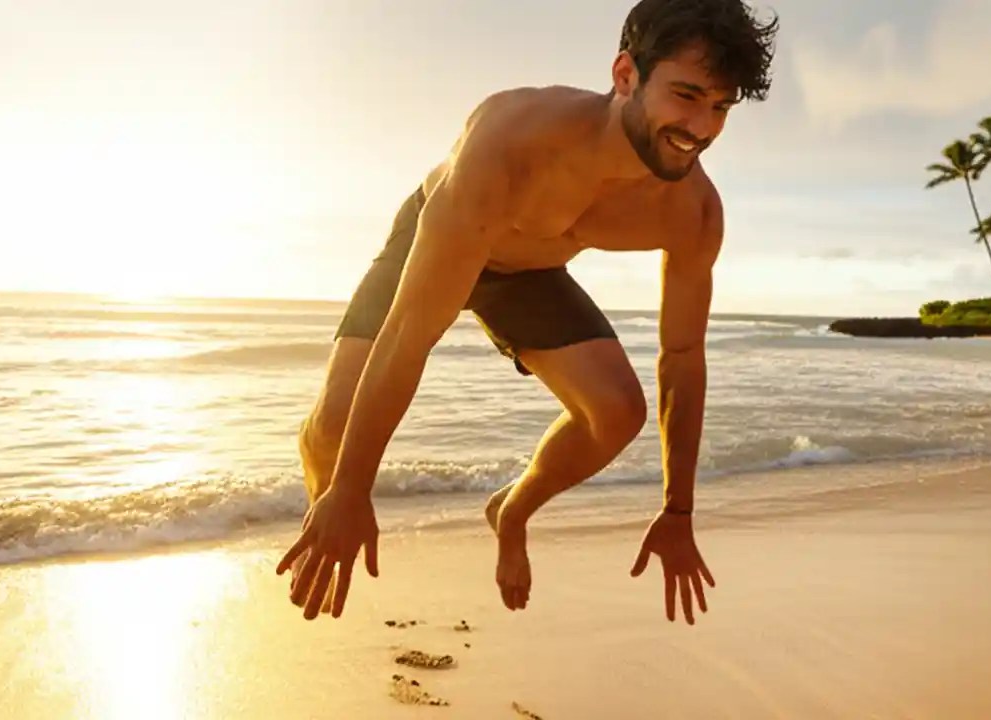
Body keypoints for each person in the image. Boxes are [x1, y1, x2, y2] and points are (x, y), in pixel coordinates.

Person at [276, 0, 777, 625]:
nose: (700, 127)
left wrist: (679, 512)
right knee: (333, 432)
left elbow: (681, 356)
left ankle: (510, 512)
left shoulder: (691, 210)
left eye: (720, 107)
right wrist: (350, 488)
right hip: (442, 237)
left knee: (617, 413)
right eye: (686, 95)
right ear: (626, 75)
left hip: (528, 271)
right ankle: (324, 515)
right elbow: (410, 334)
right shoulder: (513, 139)